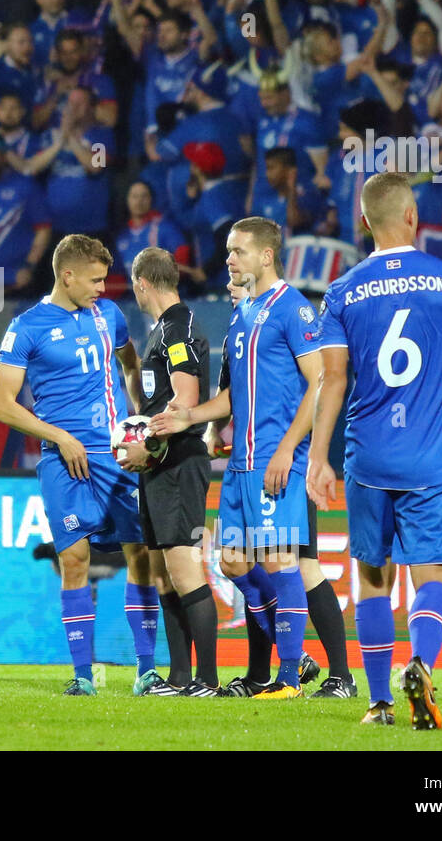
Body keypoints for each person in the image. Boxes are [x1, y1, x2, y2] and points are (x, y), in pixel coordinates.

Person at [308, 172, 442, 729]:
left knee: (372, 578)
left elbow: (332, 380)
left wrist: (319, 456)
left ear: (363, 223)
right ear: (414, 219)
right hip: (432, 458)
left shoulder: (343, 291)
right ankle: (420, 665)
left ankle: (378, 703)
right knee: (432, 573)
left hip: (368, 459)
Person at [150, 217, 328, 700]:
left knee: (279, 561)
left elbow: (321, 383)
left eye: (238, 251)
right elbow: (232, 396)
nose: (228, 259)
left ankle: (288, 679)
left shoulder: (294, 309)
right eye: (228, 250)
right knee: (231, 563)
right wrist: (188, 418)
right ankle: (297, 656)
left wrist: (290, 448)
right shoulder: (243, 312)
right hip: (240, 464)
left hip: (275, 459)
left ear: (266, 256)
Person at [0, 235, 158, 697]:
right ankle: (83, 676)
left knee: (139, 552)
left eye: (105, 279)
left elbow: (129, 359)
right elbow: (2, 405)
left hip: (116, 456)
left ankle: (146, 670)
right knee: (74, 558)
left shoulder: (109, 316)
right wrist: (59, 436)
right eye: (95, 280)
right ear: (66, 275)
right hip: (63, 459)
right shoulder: (27, 326)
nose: (103, 288)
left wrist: (138, 413)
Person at [124, 247, 221, 697]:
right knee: (164, 572)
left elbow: (185, 397)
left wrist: (149, 444)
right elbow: (156, 399)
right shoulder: (161, 331)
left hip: (178, 458)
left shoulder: (178, 327)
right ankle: (181, 677)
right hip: (158, 462)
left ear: (143, 282)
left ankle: (206, 680)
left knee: (185, 569)